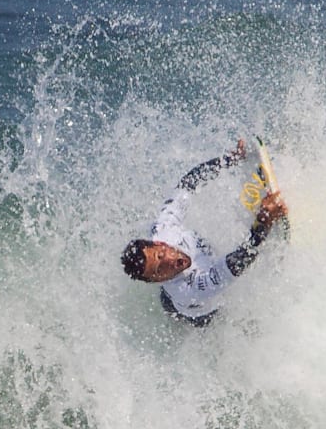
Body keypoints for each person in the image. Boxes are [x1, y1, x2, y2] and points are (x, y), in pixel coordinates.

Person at [120, 139, 289, 326]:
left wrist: (229, 159)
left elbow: (188, 184)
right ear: (157, 280)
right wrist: (264, 222)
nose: (168, 262)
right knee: (229, 323)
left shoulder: (163, 229)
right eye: (160, 270)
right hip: (200, 313)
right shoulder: (190, 290)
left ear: (161, 244)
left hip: (178, 296)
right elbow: (238, 264)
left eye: (161, 255)